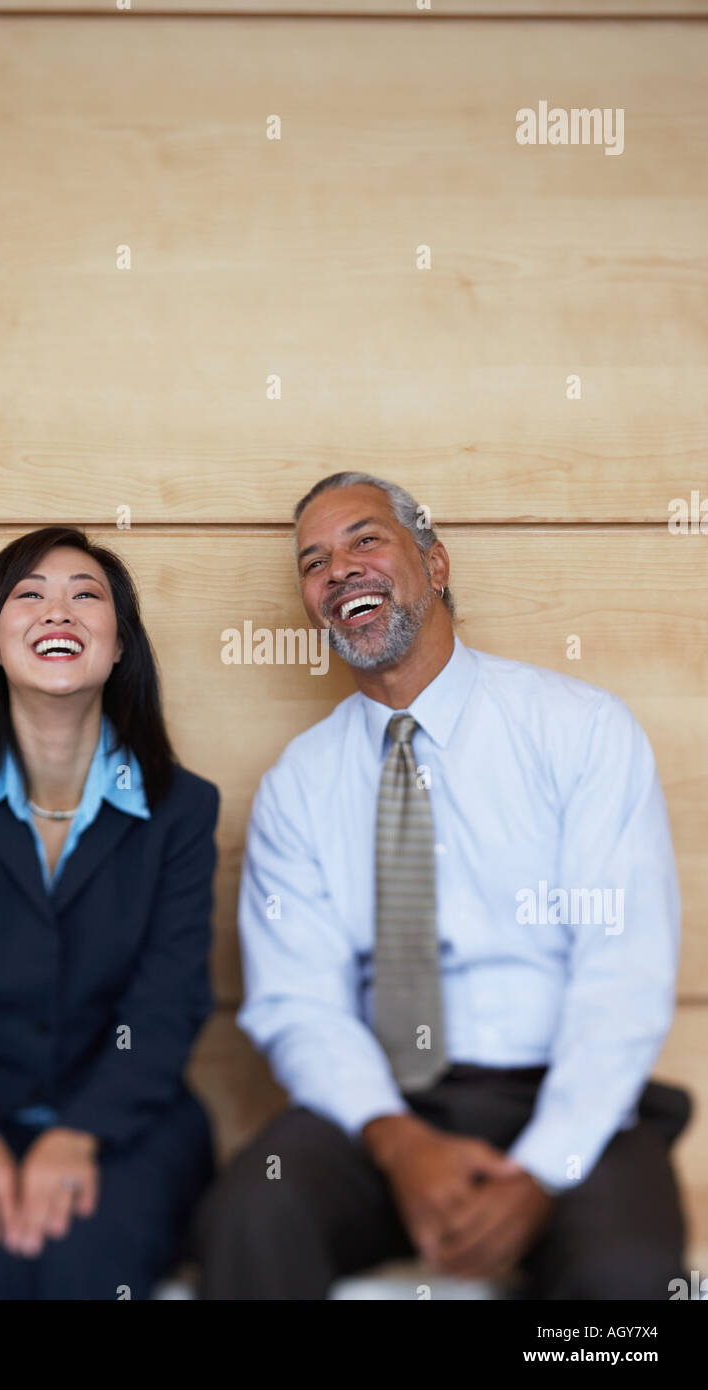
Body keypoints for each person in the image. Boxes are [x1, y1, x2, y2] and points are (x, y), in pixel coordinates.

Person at [191, 471, 690, 1300]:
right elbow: (298, 1002)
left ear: (437, 562)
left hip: (562, 1093)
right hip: (381, 1113)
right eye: (314, 563)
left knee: (627, 1279)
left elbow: (624, 972)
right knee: (249, 1218)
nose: (340, 569)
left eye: (365, 540)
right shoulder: (297, 785)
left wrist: (539, 1171)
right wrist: (397, 1141)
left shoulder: (580, 729)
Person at [0, 526, 219, 1299]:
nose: (58, 611)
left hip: (131, 1123)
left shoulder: (182, 810)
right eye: (29, 596)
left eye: (86, 596)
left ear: (120, 644)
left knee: (87, 1260)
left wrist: (78, 1135)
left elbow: (167, 1006)